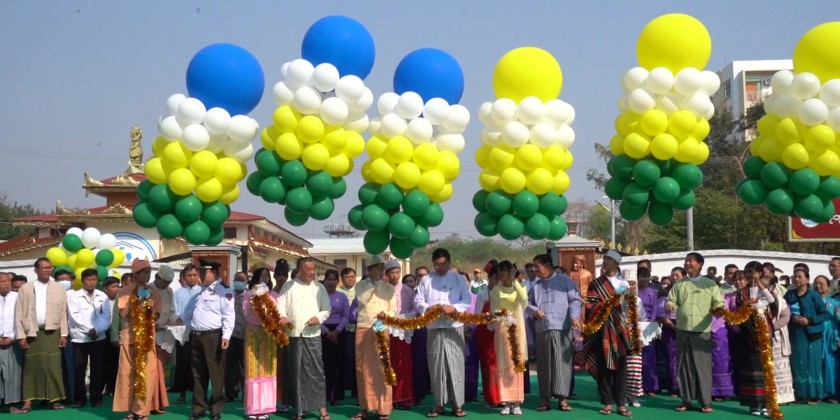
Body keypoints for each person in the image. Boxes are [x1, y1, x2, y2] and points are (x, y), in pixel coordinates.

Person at [414, 248, 471, 418]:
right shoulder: (426, 279)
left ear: (449, 262)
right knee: (436, 366)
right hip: (434, 326)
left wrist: (453, 308)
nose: (439, 267)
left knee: (456, 365)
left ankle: (457, 405)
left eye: (443, 264)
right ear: (433, 264)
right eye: (436, 264)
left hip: (454, 326)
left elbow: (466, 299)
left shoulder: (458, 278)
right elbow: (418, 301)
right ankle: (438, 404)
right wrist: (429, 308)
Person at [666, 252, 724, 414]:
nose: (687, 263)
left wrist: (717, 308)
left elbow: (719, 302)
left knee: (702, 367)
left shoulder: (710, 284)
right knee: (683, 367)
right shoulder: (679, 284)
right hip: (683, 330)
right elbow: (671, 300)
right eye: (686, 261)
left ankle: (706, 402)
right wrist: (669, 304)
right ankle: (686, 400)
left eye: (690, 261)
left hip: (702, 332)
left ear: (700, 264)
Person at [278, 257, 332, 420]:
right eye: (308, 269)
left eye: (313, 269)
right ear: (300, 270)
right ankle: (300, 410)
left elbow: (327, 309)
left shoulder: (319, 287)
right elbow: (279, 305)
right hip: (293, 334)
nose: (312, 272)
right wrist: (283, 316)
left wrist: (318, 318)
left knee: (316, 372)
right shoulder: (288, 286)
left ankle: (322, 408)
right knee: (295, 372)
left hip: (312, 335)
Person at [527, 254, 581, 412]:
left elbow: (576, 300)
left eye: (538, 267)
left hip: (562, 328)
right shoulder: (536, 286)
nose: (536, 270)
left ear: (548, 265)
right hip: (543, 329)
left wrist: (574, 315)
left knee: (562, 364)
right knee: (544, 365)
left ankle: (563, 400)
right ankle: (545, 400)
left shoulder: (565, 281)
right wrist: (534, 311)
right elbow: (528, 304)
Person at [113, 259, 166, 420]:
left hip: (147, 339)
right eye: (144, 272)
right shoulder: (124, 292)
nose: (148, 275)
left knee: (146, 374)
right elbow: (122, 315)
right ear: (135, 274)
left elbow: (156, 316)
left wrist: (149, 306)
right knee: (127, 375)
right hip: (129, 338)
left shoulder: (154, 292)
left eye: (149, 272)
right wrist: (134, 297)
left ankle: (142, 411)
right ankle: (131, 410)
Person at [14, 258, 68, 413]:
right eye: (43, 268)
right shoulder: (26, 288)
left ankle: (55, 400)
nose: (47, 270)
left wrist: (64, 334)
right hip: (31, 332)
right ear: (35, 270)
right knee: (32, 367)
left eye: (49, 268)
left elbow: (64, 313)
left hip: (53, 332)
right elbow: (18, 314)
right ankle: (28, 402)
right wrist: (21, 336)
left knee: (53, 367)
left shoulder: (59, 288)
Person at [186, 263, 236, 420]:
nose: (200, 274)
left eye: (203, 271)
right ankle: (198, 408)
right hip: (196, 336)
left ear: (214, 272)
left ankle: (216, 409)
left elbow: (229, 315)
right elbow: (193, 313)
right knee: (198, 374)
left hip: (213, 337)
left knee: (216, 374)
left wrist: (226, 336)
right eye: (199, 271)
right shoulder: (200, 291)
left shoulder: (223, 291)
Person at [584, 250, 631, 417]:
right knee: (604, 366)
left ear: (617, 264)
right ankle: (607, 402)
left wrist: (626, 300)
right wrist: (608, 303)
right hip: (603, 329)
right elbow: (590, 305)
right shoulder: (595, 284)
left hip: (620, 329)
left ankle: (622, 403)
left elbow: (630, 307)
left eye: (609, 259)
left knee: (621, 367)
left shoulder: (625, 284)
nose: (605, 262)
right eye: (605, 259)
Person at [350, 258, 395, 420]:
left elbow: (393, 309)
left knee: (383, 368)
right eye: (375, 268)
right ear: (369, 270)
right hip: (364, 328)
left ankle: (384, 408)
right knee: (363, 369)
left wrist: (385, 318)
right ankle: (365, 408)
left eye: (381, 267)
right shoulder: (361, 286)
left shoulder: (389, 288)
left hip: (381, 329)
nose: (379, 271)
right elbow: (363, 300)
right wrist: (373, 282)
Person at [729, 263, 776, 416]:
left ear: (761, 273)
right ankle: (754, 405)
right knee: (751, 370)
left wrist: (759, 283)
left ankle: (767, 405)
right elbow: (744, 308)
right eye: (750, 272)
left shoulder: (766, 290)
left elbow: (770, 300)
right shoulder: (742, 293)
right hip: (748, 335)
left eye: (756, 272)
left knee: (766, 370)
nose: (753, 274)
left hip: (764, 334)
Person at [784, 268, 831, 404]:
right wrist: (792, 318)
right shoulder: (789, 295)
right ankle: (799, 394)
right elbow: (782, 311)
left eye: (799, 277)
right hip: (795, 334)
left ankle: (814, 395)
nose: (796, 279)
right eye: (795, 277)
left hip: (812, 335)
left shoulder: (814, 296)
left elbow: (824, 314)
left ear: (807, 279)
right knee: (798, 364)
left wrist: (808, 320)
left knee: (812, 364)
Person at [67, 268, 111, 408]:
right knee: (79, 368)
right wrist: (89, 330)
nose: (92, 283)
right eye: (88, 280)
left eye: (94, 280)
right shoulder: (74, 297)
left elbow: (106, 316)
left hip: (99, 337)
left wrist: (97, 330)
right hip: (80, 338)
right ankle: (79, 399)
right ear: (82, 281)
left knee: (97, 369)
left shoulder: (102, 296)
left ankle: (96, 399)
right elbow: (74, 316)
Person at [490, 261, 528, 415]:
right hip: (502, 328)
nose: (501, 275)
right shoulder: (496, 289)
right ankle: (506, 402)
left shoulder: (518, 287)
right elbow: (494, 311)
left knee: (516, 363)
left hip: (517, 329)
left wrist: (515, 283)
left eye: (504, 271)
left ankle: (517, 401)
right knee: (504, 364)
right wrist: (502, 315)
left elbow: (524, 299)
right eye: (499, 272)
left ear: (510, 272)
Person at [242, 267, 278, 420]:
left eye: (267, 276)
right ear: (255, 278)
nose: (264, 279)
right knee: (253, 370)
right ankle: (252, 408)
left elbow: (278, 314)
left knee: (267, 369)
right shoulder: (247, 295)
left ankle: (265, 407)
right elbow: (245, 314)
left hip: (269, 335)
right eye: (261, 276)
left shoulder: (274, 295)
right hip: (253, 333)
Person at [387, 261, 416, 410]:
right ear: (386, 274)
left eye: (397, 272)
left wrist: (403, 318)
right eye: (391, 272)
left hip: (403, 331)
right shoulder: (382, 290)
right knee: (388, 363)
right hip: (387, 329)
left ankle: (404, 398)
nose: (395, 275)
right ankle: (389, 399)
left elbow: (414, 309)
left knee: (403, 363)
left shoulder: (407, 290)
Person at [172, 264, 201, 403]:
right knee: (183, 363)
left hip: (197, 331)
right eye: (189, 275)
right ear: (184, 277)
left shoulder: (202, 291)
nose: (192, 278)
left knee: (197, 364)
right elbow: (175, 311)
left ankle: (198, 395)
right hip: (182, 332)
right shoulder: (178, 293)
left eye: (194, 275)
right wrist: (181, 320)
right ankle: (182, 393)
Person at [474, 261, 501, 408]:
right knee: (488, 366)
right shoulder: (482, 294)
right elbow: (477, 315)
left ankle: (503, 396)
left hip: (501, 332)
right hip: (485, 334)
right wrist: (490, 318)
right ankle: (491, 397)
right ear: (490, 277)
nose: (498, 281)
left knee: (501, 365)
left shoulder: (503, 292)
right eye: (495, 277)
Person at [321, 269, 348, 406]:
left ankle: (336, 396)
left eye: (334, 279)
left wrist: (337, 331)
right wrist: (327, 332)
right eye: (329, 279)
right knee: (325, 365)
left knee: (338, 365)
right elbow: (315, 314)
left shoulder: (342, 296)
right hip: (323, 332)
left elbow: (346, 315)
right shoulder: (319, 295)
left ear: (338, 282)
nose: (331, 282)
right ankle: (324, 396)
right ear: (324, 280)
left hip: (339, 332)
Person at [813, 275, 840, 403]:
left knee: (831, 364)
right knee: (816, 363)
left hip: (831, 336)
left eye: (821, 283)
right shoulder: (810, 301)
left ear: (828, 287)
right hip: (815, 334)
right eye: (816, 283)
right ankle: (817, 392)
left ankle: (831, 393)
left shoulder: (835, 302)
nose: (818, 286)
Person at [658, 268, 684, 397]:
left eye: (678, 275)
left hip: (686, 326)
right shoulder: (665, 292)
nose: (675, 277)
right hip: (670, 326)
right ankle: (674, 387)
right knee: (672, 358)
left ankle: (687, 387)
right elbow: (662, 314)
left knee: (686, 358)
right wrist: (674, 327)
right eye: (673, 275)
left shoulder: (687, 291)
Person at [0, 272, 23, 411]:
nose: (6, 283)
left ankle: (12, 404)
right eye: (2, 281)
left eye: (8, 281)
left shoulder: (18, 297)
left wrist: (12, 337)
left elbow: (22, 320)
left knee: (13, 374)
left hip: (13, 341)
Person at [636, 267, 660, 396]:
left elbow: (655, 309)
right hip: (635, 325)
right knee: (636, 358)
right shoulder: (633, 291)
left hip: (649, 326)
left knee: (649, 357)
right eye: (642, 276)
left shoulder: (653, 292)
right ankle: (636, 386)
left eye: (647, 276)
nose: (645, 279)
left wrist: (651, 322)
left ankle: (651, 386)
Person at [226, 271, 248, 403]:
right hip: (231, 335)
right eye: (236, 279)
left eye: (241, 280)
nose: (238, 282)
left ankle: (246, 393)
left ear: (246, 283)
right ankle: (230, 393)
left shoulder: (250, 296)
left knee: (245, 366)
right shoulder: (228, 295)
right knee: (230, 365)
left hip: (245, 335)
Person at [338, 267, 358, 402]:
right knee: (343, 360)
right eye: (347, 277)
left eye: (352, 276)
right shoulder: (339, 292)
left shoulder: (360, 291)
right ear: (342, 279)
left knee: (356, 360)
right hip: (342, 331)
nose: (350, 279)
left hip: (357, 330)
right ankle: (343, 389)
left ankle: (357, 391)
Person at [101, 276, 121, 398]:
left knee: (115, 363)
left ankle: (113, 388)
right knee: (103, 364)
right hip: (103, 335)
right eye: (113, 287)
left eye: (118, 286)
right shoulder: (100, 300)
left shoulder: (121, 300)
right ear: (105, 288)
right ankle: (101, 388)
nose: (116, 289)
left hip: (117, 335)